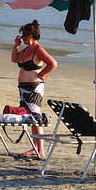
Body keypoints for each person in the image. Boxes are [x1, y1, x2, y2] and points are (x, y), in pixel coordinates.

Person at [10, 19, 57, 159]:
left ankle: (40, 150)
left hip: (34, 87)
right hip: (23, 88)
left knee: (35, 117)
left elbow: (53, 63)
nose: (22, 38)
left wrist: (42, 74)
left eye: (24, 36)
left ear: (30, 35)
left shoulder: (38, 49)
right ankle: (35, 147)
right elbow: (14, 59)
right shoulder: (26, 50)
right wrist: (16, 46)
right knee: (30, 117)